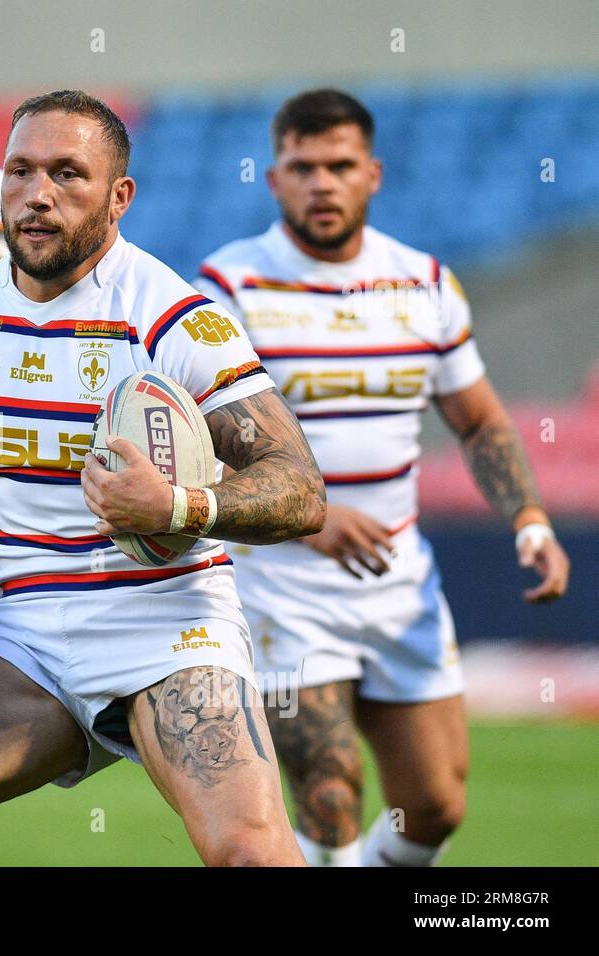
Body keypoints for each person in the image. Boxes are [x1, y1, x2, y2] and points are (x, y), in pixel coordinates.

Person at [0, 90, 327, 867]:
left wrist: (179, 504)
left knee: (250, 853)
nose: (37, 194)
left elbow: (301, 488)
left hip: (169, 630)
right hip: (29, 638)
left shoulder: (176, 321)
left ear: (120, 197)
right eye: (20, 170)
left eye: (67, 174)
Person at [193, 88, 571, 866]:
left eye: (339, 166)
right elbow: (197, 436)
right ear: (274, 180)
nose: (321, 184)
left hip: (399, 580)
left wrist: (530, 520)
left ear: (374, 174)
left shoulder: (423, 284)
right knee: (329, 790)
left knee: (433, 806)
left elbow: (480, 421)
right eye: (303, 167)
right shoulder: (227, 288)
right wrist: (307, 515)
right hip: (280, 584)